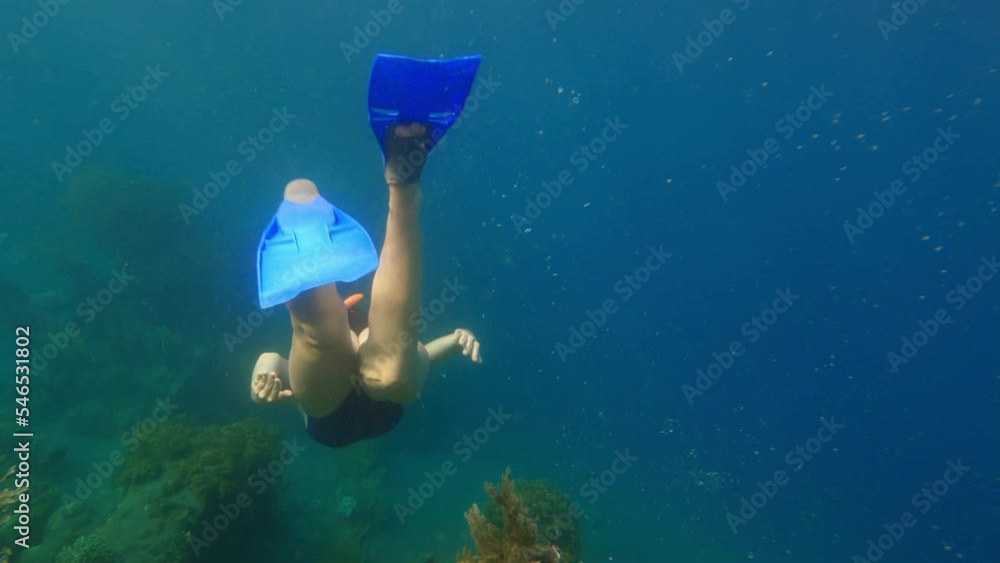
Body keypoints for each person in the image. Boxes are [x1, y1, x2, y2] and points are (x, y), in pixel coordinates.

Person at [249, 122, 483, 448]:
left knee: (325, 337)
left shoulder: (354, 337)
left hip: (329, 417)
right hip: (381, 405)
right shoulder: (366, 337)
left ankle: (391, 199)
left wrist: (259, 383)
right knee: (389, 364)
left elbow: (271, 360)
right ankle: (403, 191)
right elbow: (428, 352)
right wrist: (458, 340)